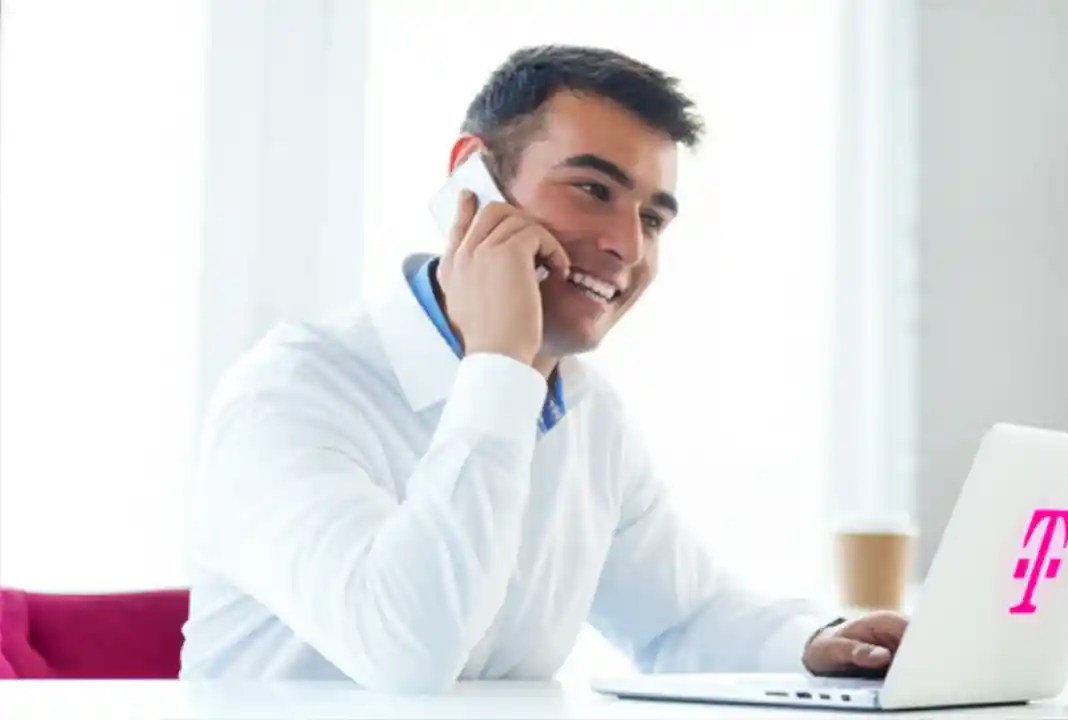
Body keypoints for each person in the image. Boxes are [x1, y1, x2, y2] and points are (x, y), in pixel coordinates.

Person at [180, 45, 907, 692]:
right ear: (473, 179)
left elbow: (680, 620)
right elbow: (406, 652)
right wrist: (499, 364)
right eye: (592, 190)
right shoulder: (291, 392)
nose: (627, 245)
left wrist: (816, 645)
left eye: (653, 218)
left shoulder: (589, 416)